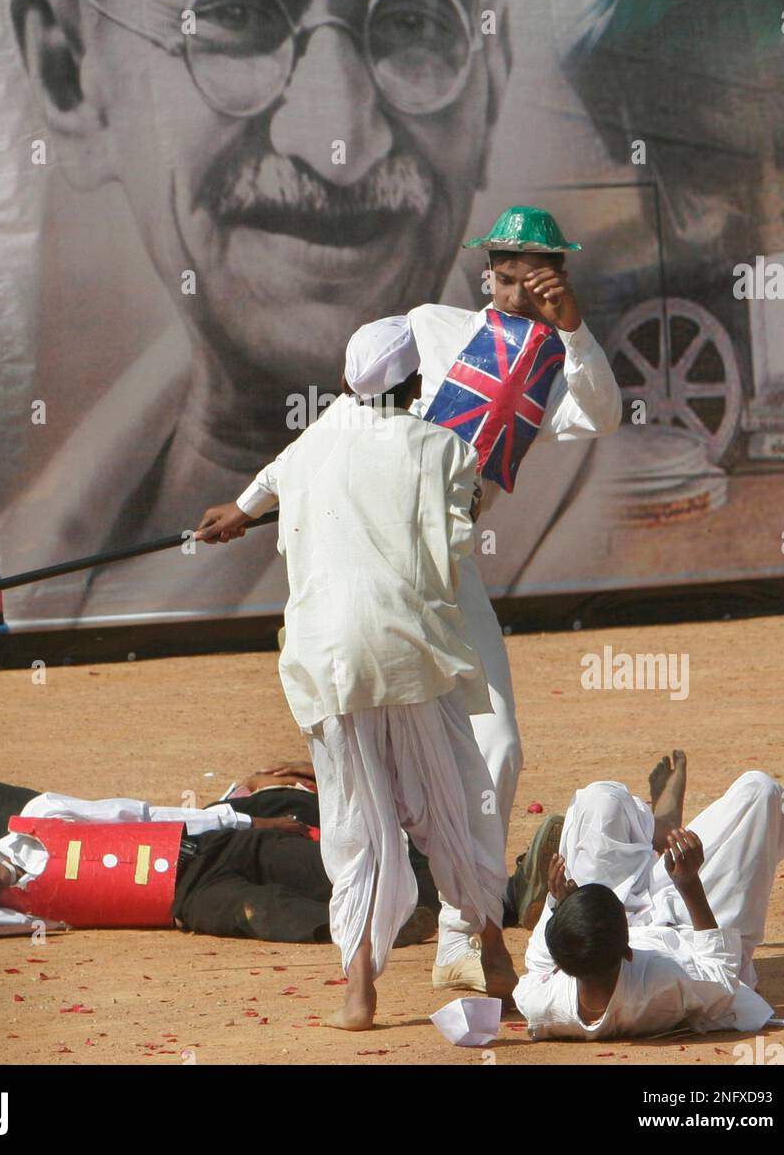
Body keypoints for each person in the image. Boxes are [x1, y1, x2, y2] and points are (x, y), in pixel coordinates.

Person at [4, 0, 510, 622]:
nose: (338, 143)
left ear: (486, 88)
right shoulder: (50, 546)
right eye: (235, 15)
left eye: (411, 19)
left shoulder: (582, 501)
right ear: (69, 76)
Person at [199, 206, 622, 989]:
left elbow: (602, 415)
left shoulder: (558, 361)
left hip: (448, 565)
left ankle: (463, 934)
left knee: (499, 747)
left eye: (536, 267)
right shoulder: (430, 325)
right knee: (376, 774)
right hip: (382, 560)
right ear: (484, 268)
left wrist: (575, 329)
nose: (516, 278)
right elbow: (340, 416)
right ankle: (381, 932)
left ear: (559, 273)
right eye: (503, 264)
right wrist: (251, 503)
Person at [239, 315, 515, 1030]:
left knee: (356, 825)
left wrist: (235, 514)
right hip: (408, 654)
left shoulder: (310, 448)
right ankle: (495, 956)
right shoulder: (445, 449)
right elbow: (459, 522)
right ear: (418, 385)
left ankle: (359, 991)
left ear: (342, 386)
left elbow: (271, 478)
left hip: (326, 661)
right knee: (450, 809)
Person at [0, 770, 438, 952]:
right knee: (258, 910)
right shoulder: (15, 913)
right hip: (185, 900)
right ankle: (376, 926)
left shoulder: (41, 814)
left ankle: (442, 893)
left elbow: (135, 812)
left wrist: (240, 818)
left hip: (207, 846)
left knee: (312, 861)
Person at [513, 751, 784, 1039]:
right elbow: (722, 973)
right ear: (631, 953)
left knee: (600, 798)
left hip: (600, 933)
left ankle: (663, 829)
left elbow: (539, 960)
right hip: (687, 929)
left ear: (561, 965)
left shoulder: (542, 1002)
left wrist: (561, 905)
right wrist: (689, 884)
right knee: (759, 791)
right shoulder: (665, 981)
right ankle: (761, 840)